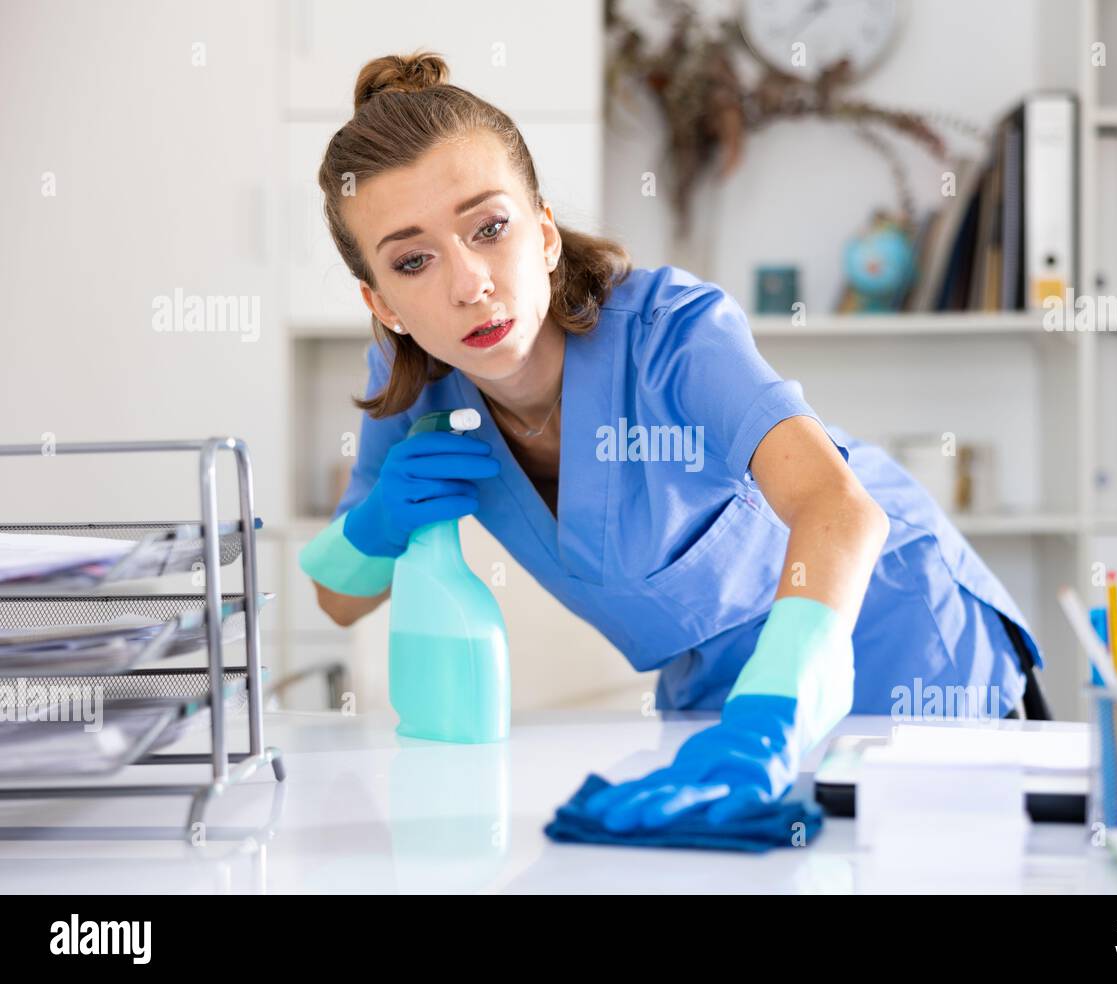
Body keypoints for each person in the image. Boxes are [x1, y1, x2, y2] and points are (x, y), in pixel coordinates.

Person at [299, 50, 1049, 832]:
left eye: (490, 228)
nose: (468, 283)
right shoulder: (412, 380)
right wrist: (377, 521)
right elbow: (339, 597)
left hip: (890, 632)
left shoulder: (672, 335)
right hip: (719, 695)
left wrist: (770, 719)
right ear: (380, 301)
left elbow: (839, 507)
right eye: (413, 261)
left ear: (546, 235)